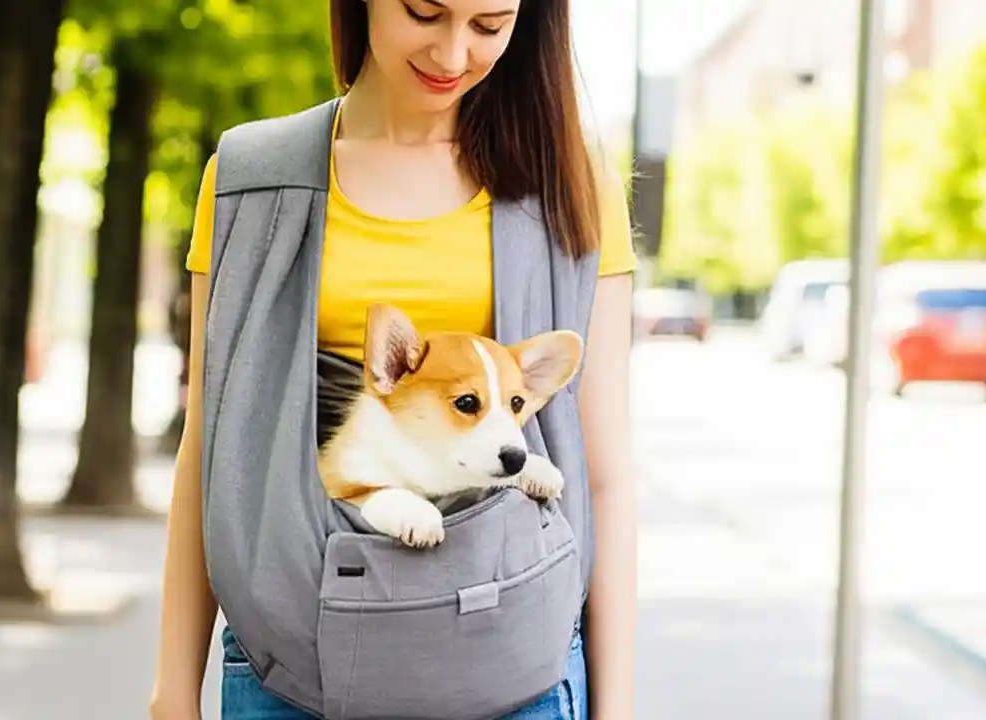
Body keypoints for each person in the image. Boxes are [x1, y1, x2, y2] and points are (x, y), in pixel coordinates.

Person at [149, 0, 638, 718]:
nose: (450, 55)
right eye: (424, 12)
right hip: (288, 666)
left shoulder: (571, 187)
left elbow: (606, 474)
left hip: (515, 667)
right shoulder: (250, 182)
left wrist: (617, 708)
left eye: (488, 25)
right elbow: (210, 448)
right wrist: (171, 691)